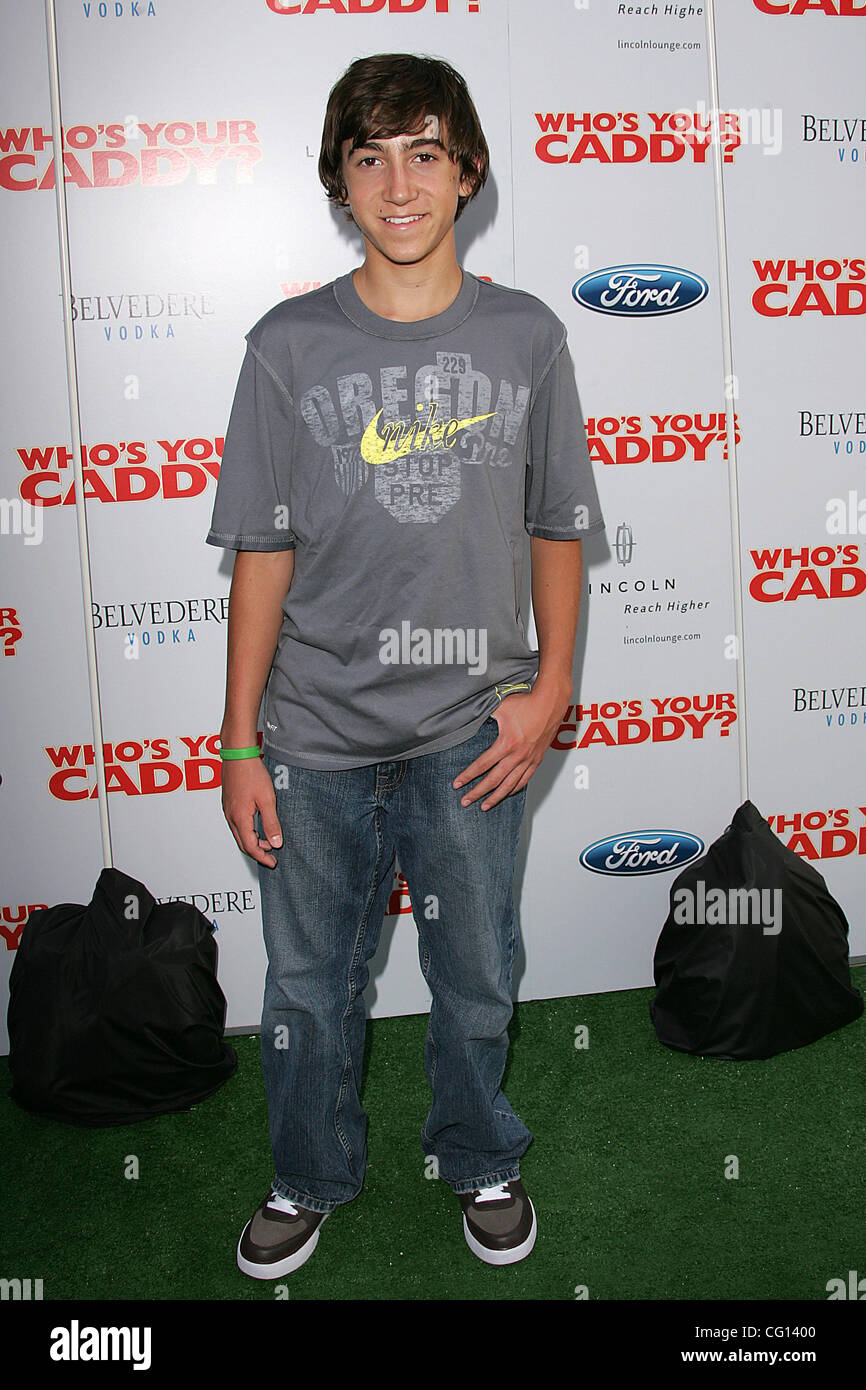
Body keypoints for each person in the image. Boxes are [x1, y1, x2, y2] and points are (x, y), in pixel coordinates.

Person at [206, 52, 604, 1279]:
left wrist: (549, 693)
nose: (397, 182)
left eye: (423, 151)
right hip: (314, 736)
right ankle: (307, 1173)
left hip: (470, 729)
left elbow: (557, 528)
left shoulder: (527, 336)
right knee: (308, 986)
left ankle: (480, 1153)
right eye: (368, 156)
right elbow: (260, 553)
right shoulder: (285, 345)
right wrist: (237, 742)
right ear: (338, 180)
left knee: (477, 967)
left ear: (467, 171)